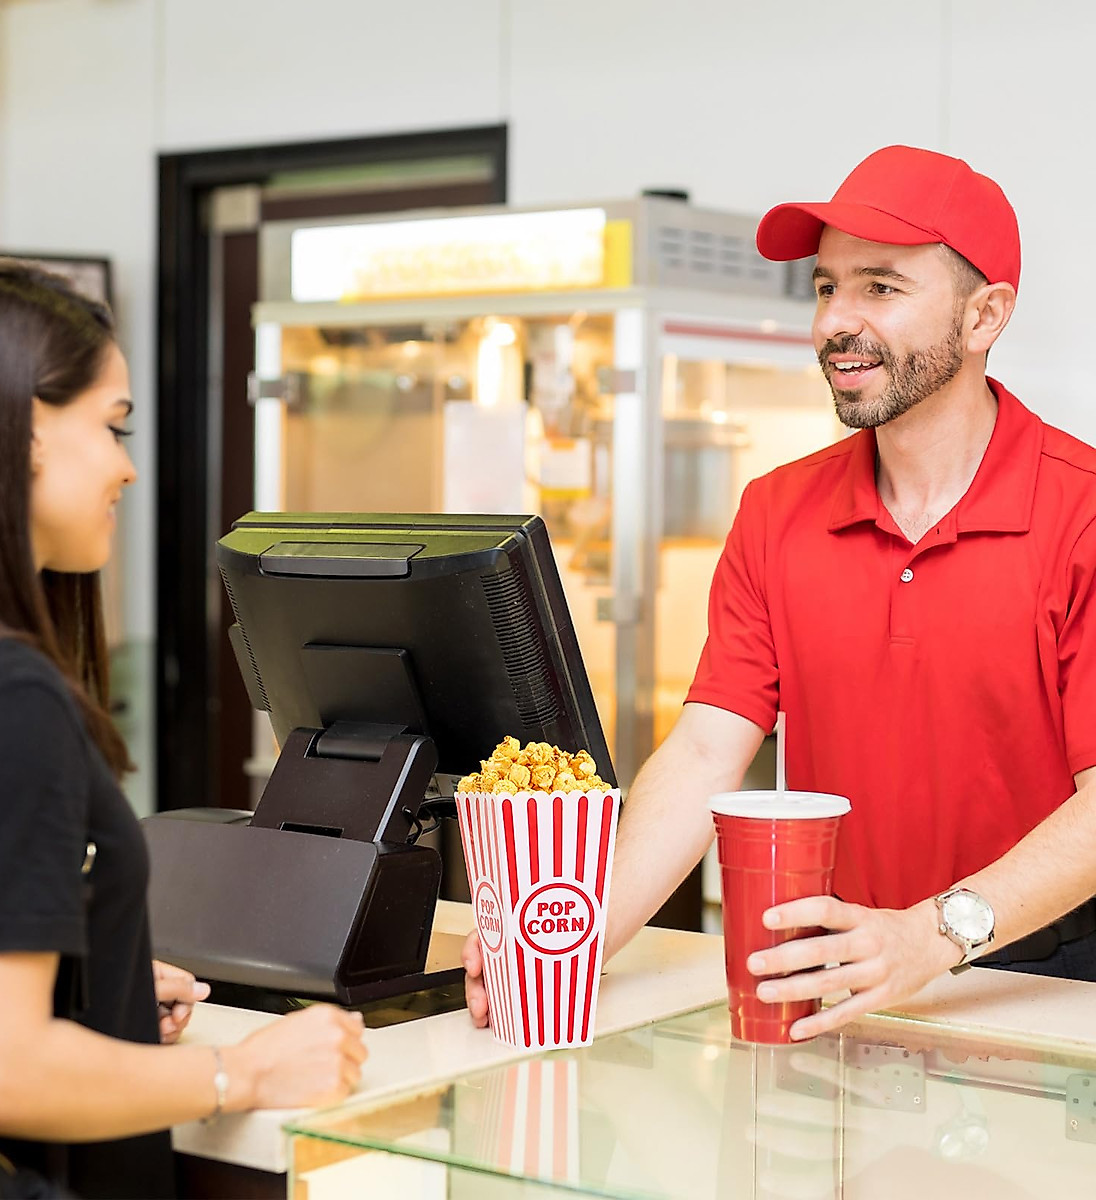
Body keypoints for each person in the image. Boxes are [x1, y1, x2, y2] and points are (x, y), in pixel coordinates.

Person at [464, 144, 1096, 1041]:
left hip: (1044, 985)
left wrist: (933, 934)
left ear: (985, 315)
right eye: (825, 287)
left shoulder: (1082, 513)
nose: (838, 321)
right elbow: (703, 758)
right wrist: (576, 941)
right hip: (836, 971)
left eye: (881, 287)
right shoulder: (777, 511)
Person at [0, 261, 367, 1198]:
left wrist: (93, 982)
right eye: (111, 426)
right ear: (26, 431)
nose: (127, 465)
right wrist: (245, 1073)